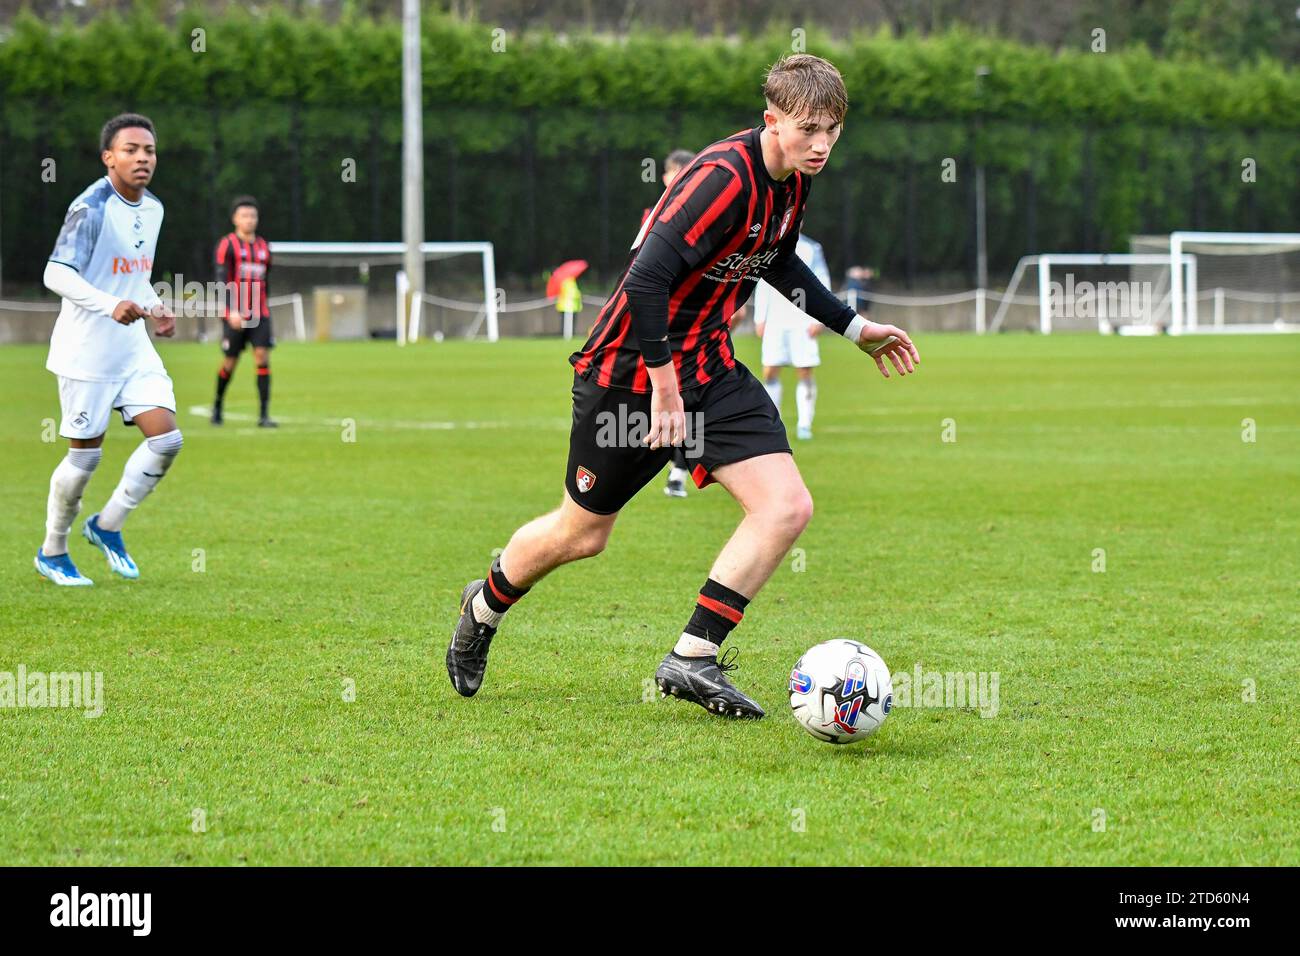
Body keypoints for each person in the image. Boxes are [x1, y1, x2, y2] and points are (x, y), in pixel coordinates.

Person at [446, 54, 919, 718]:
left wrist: (854, 326)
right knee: (583, 534)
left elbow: (775, 258)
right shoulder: (721, 179)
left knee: (786, 507)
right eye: (809, 128)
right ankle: (484, 604)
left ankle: (692, 657)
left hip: (708, 369)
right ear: (771, 120)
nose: (821, 144)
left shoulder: (793, 179)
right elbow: (644, 281)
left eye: (833, 130)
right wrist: (663, 389)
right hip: (629, 376)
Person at [35, 113, 181, 586]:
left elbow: (133, 272)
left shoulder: (153, 208)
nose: (142, 158)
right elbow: (55, 274)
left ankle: (107, 524)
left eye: (149, 151)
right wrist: (107, 304)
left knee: (166, 439)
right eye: (131, 150)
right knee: (85, 458)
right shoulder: (90, 207)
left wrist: (155, 305)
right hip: (86, 353)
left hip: (132, 348)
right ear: (108, 158)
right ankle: (53, 550)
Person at [753, 232, 832, 440]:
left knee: (804, 371)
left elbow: (822, 281)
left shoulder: (812, 248)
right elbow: (761, 281)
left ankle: (805, 423)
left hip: (802, 320)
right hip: (775, 321)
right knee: (770, 371)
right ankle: (773, 422)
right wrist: (760, 317)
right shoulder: (769, 244)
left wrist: (819, 318)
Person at [654, 148, 698, 498]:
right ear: (666, 177)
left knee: (688, 400)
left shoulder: (704, 212)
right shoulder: (653, 217)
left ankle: (678, 473)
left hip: (692, 327)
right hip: (655, 327)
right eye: (679, 173)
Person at [211, 196, 276, 427]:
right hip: (235, 314)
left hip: (260, 314)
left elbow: (266, 280)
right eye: (245, 216)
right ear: (235, 219)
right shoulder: (227, 245)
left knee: (262, 357)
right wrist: (230, 311)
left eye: (253, 216)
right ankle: (217, 406)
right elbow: (221, 279)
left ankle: (264, 415)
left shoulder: (264, 247)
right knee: (230, 362)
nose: (249, 220)